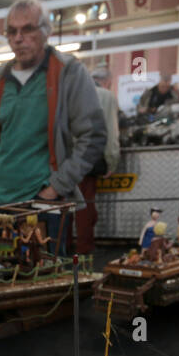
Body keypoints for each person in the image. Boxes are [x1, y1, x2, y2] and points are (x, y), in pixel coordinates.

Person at [0, 0, 107, 249]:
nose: (18, 38)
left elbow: (93, 136)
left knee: (45, 276)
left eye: (27, 29)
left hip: (43, 203)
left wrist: (55, 189)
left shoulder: (68, 73)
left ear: (46, 32)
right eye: (12, 31)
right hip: (0, 203)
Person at [71, 65, 121, 254]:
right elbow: (111, 132)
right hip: (88, 159)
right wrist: (112, 160)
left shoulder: (72, 93)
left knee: (65, 206)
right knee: (85, 205)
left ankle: (64, 246)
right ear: (107, 81)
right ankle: (84, 249)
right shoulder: (106, 96)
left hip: (66, 158)